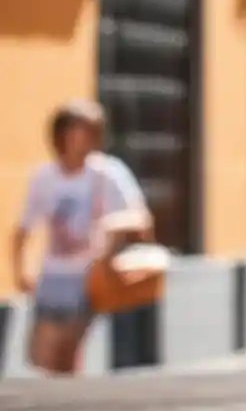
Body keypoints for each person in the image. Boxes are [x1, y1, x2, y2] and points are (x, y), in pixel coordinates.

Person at [10, 101, 148, 375]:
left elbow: (140, 217)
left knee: (66, 348)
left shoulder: (107, 173)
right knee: (41, 356)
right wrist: (20, 270)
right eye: (74, 132)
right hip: (52, 275)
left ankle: (66, 404)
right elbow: (24, 227)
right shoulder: (45, 177)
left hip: (89, 275)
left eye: (88, 132)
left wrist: (110, 226)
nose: (81, 140)